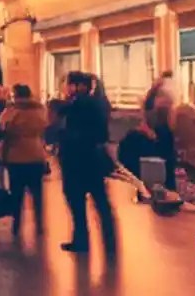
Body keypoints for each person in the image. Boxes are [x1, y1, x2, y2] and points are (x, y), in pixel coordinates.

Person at [58, 71, 117, 256]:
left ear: (78, 86)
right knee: (101, 202)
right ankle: (110, 243)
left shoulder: (79, 104)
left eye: (69, 84)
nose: (67, 89)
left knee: (77, 202)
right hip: (94, 159)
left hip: (77, 160)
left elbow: (68, 126)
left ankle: (81, 240)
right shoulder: (100, 103)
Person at [0, 84, 48, 239]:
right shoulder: (40, 110)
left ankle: (17, 224)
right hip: (36, 154)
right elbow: (46, 127)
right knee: (37, 193)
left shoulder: (12, 111)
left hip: (16, 155)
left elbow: (2, 128)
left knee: (17, 192)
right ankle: (39, 224)